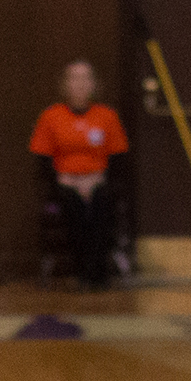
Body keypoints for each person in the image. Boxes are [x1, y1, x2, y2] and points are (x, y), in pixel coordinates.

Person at [30, 59, 130, 288]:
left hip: (97, 181)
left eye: (86, 78)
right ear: (65, 84)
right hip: (65, 183)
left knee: (101, 205)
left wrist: (95, 181)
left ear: (94, 84)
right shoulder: (51, 116)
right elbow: (42, 160)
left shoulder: (107, 116)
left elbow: (117, 158)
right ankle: (82, 271)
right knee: (74, 209)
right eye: (75, 78)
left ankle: (99, 272)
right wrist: (67, 182)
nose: (80, 84)